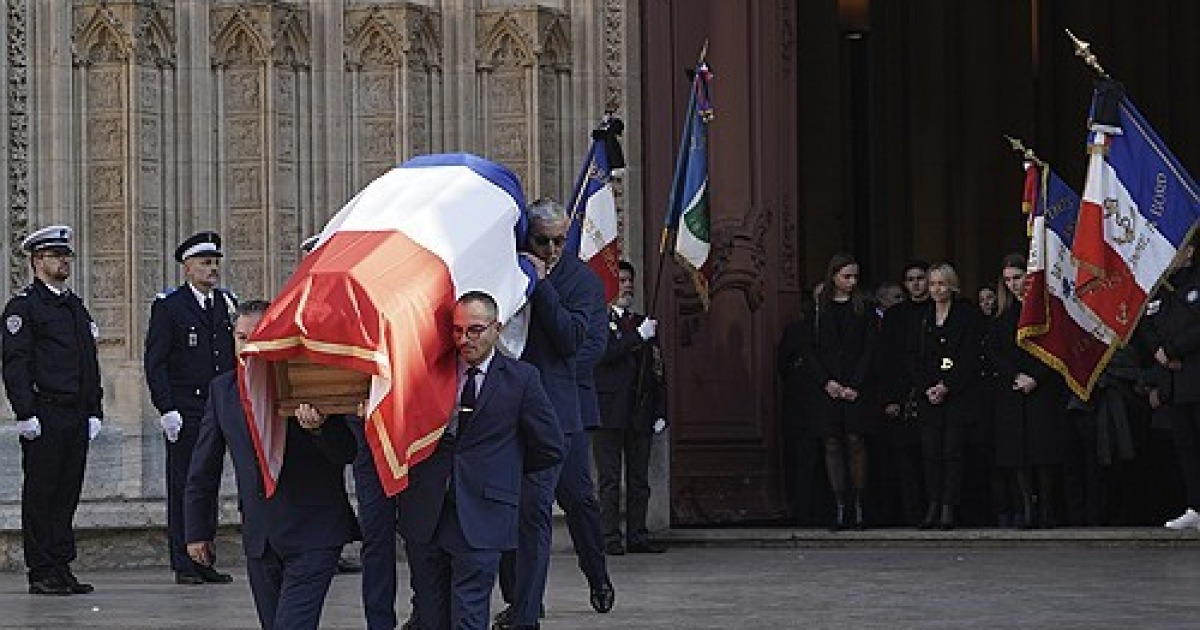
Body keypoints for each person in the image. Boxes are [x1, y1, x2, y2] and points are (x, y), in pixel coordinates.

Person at [184, 300, 360, 629]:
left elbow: (347, 452)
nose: (249, 347)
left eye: (257, 337)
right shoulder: (223, 391)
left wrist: (319, 428)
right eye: (241, 338)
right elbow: (203, 468)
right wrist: (197, 531)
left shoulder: (310, 379)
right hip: (261, 538)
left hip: (314, 531)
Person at [399, 291, 564, 630]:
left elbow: (549, 446)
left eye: (474, 330)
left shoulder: (522, 380)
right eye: (458, 330)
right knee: (430, 615)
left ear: (497, 328)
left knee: (469, 612)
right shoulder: (429, 374)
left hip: (484, 514)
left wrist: (504, 472)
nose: (464, 339)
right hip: (429, 511)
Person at [495, 198, 611, 630]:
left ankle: (597, 576)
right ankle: (523, 606)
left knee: (579, 502)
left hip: (560, 414)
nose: (549, 249)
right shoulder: (509, 270)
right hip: (509, 412)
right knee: (524, 510)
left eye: (559, 241)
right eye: (541, 240)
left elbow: (574, 343)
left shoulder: (581, 281)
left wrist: (542, 286)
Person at [2, 225, 103, 596]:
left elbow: (89, 362)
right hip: (45, 412)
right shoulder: (24, 307)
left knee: (67, 493)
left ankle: (61, 565)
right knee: (42, 494)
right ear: (36, 261)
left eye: (66, 255)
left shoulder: (74, 305)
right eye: (56, 256)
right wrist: (25, 412)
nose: (64, 261)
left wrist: (96, 408)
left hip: (76, 413)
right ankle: (41, 569)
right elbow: (16, 363)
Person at [144, 230, 237, 584]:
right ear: (187, 267)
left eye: (215, 262)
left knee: (208, 483)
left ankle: (204, 557)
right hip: (185, 409)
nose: (212, 268)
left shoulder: (225, 303)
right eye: (205, 262)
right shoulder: (169, 306)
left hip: (217, 408)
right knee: (185, 483)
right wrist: (166, 408)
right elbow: (156, 362)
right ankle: (184, 561)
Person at [799, 254, 879, 529]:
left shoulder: (865, 308)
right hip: (827, 387)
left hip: (857, 386)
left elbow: (871, 349)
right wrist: (827, 382)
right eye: (846, 276)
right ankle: (838, 506)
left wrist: (855, 384)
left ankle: (858, 506)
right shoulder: (818, 309)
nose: (851, 282)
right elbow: (808, 349)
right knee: (831, 443)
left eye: (855, 277)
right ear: (833, 276)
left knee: (856, 442)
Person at [593, 261, 668, 554]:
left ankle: (638, 535)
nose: (626, 285)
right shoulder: (597, 322)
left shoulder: (642, 323)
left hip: (640, 410)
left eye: (629, 281)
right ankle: (609, 537)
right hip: (608, 410)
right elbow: (604, 355)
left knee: (639, 480)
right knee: (609, 479)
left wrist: (661, 410)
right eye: (621, 280)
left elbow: (658, 370)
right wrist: (638, 337)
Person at [988, 254, 1067, 529]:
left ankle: (1046, 508)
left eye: (1017, 278)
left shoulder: (1044, 312)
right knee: (1017, 452)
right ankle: (1027, 507)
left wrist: (1035, 377)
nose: (1013, 285)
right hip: (1013, 388)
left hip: (1041, 388)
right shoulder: (1003, 317)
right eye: (1007, 280)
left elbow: (1056, 348)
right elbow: (995, 351)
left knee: (1043, 450)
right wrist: (1016, 375)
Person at [907, 263, 982, 530]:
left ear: (951, 285)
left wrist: (947, 385)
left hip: (957, 396)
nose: (936, 289)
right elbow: (914, 357)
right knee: (930, 453)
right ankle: (933, 505)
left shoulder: (966, 316)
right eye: (932, 284)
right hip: (929, 397)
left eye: (941, 284)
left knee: (952, 452)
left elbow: (969, 355)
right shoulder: (922, 318)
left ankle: (950, 507)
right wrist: (927, 386)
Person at [1147, 242, 1200, 530]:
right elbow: (1146, 325)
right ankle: (1195, 506)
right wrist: (1160, 351)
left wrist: (1174, 350)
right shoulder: (1161, 289)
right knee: (1186, 447)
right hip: (1175, 384)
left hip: (1195, 374)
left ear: (1189, 252)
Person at [877, 261, 931, 526]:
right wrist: (890, 398)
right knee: (905, 460)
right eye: (910, 279)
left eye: (921, 278)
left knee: (932, 458)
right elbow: (885, 359)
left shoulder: (938, 309)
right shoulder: (895, 316)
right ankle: (910, 514)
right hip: (902, 395)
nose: (916, 284)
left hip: (933, 393)